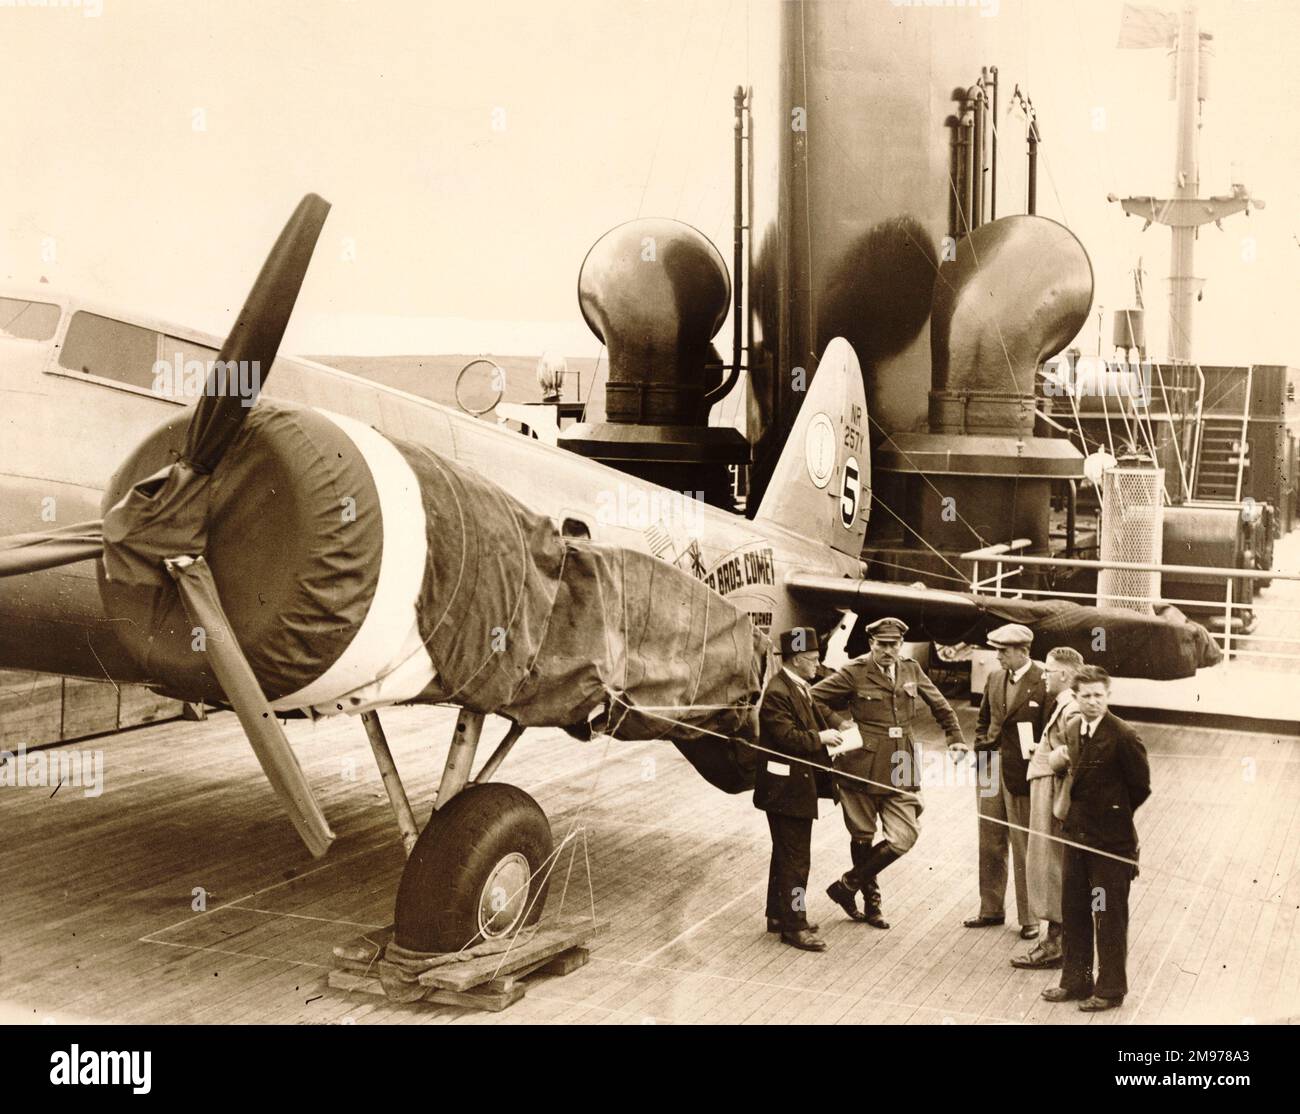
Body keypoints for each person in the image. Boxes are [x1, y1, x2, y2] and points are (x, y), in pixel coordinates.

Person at [811, 616, 967, 928]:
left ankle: (847, 885)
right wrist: (839, 723)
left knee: (904, 835)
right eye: (881, 644)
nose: (887, 650)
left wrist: (955, 738)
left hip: (902, 760)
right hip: (861, 761)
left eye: (893, 644)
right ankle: (872, 904)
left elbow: (939, 704)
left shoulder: (910, 668)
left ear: (901, 644)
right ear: (871, 643)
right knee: (863, 833)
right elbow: (812, 697)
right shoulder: (854, 671)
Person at [1042, 665, 1151, 1011]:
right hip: (1076, 840)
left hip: (1109, 846)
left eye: (1098, 696)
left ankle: (1110, 989)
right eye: (1085, 696)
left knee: (1106, 915)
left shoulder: (1123, 735)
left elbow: (1140, 787)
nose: (1092, 702)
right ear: (1075, 697)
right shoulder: (1074, 728)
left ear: (1108, 695)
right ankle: (1075, 980)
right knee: (1074, 910)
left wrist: (1111, 815)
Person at [754, 626, 843, 952]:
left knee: (784, 855)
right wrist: (821, 738)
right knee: (796, 860)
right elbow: (788, 738)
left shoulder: (797, 687)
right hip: (786, 791)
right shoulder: (779, 692)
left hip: (786, 788)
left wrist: (836, 726)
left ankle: (778, 915)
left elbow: (815, 714)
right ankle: (795, 925)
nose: (818, 665)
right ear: (796, 659)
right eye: (813, 659)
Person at [963, 623, 1047, 939]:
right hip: (990, 767)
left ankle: (1030, 918)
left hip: (1021, 774)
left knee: (1023, 845)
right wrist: (982, 746)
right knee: (989, 840)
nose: (998, 656)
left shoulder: (1042, 683)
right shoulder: (995, 678)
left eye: (1004, 651)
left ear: (1023, 651)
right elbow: (984, 719)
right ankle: (991, 909)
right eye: (997, 649)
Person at [1011, 646, 1083, 969]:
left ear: (1065, 675)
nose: (1043, 675)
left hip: (1053, 796)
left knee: (1050, 866)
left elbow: (1074, 752)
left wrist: (1050, 757)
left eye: (1049, 671)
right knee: (1047, 865)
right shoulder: (1065, 704)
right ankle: (1056, 939)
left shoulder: (1071, 707)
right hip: (1048, 792)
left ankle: (1055, 944)